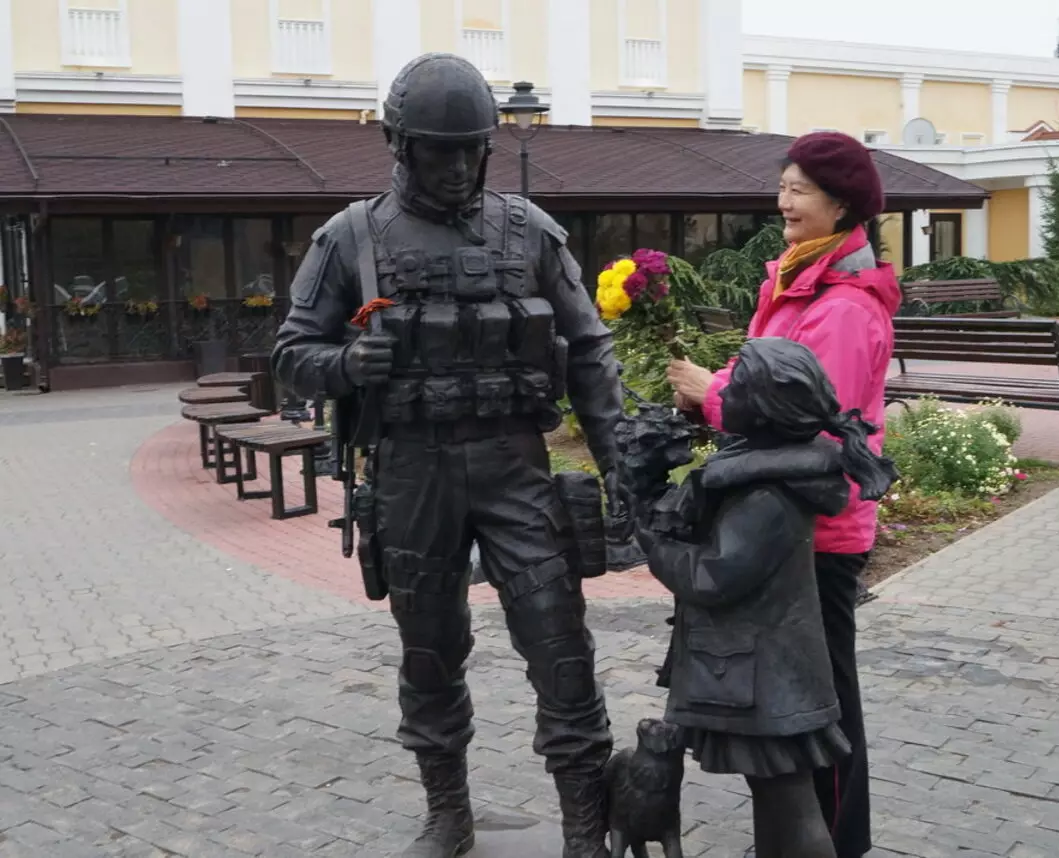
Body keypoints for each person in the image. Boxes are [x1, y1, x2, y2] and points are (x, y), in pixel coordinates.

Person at [272, 53, 629, 858]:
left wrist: (622, 468)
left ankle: (584, 825)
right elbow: (291, 352)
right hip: (412, 471)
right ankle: (448, 812)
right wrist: (344, 366)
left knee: (559, 644)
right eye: (440, 150)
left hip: (514, 464)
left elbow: (591, 350)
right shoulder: (350, 236)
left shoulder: (529, 231)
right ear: (399, 143)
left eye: (471, 149)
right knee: (430, 650)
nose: (458, 166)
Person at [666, 131, 901, 858]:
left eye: (799, 189)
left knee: (820, 703)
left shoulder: (845, 306)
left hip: (818, 535)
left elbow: (809, 427)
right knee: (803, 696)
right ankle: (811, 836)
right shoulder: (799, 282)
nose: (784, 200)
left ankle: (830, 840)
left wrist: (713, 398)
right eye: (783, 184)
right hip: (784, 524)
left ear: (842, 202)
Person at [630, 338, 897, 858]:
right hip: (763, 668)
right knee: (774, 795)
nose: (721, 391)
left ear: (760, 410)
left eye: (735, 386)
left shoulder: (767, 497)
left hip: (766, 677)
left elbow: (712, 577)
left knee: (789, 800)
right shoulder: (769, 473)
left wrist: (652, 540)